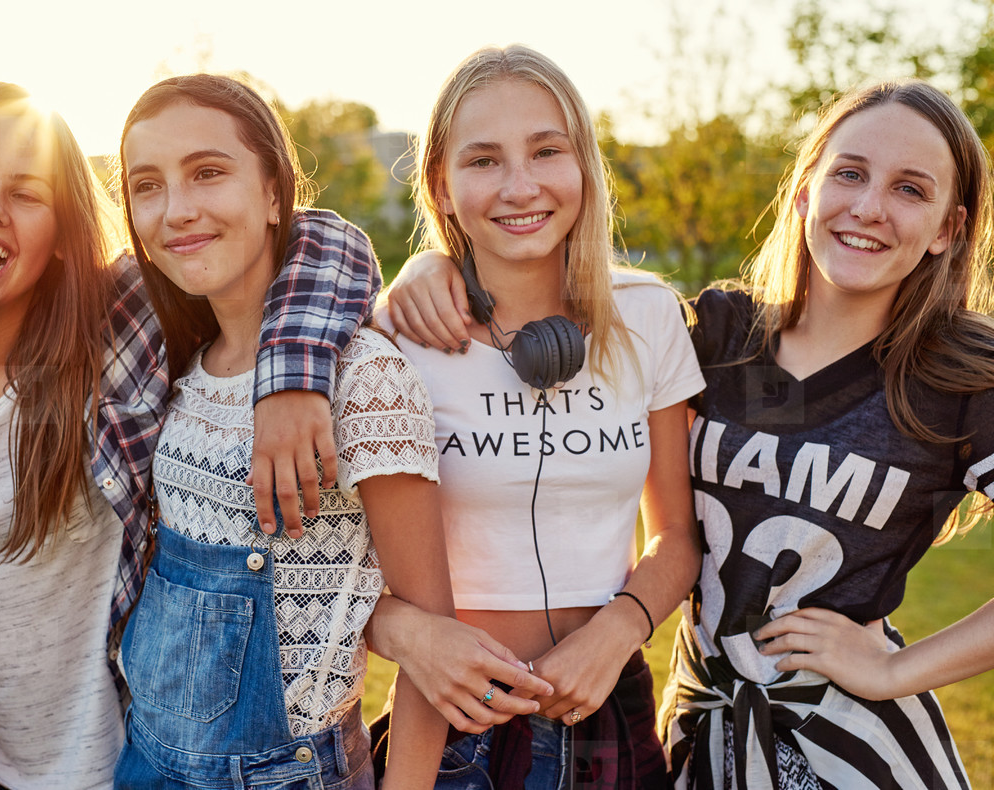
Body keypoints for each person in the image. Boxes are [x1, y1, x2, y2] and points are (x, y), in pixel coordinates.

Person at [389, 78, 994, 789]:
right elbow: (561, 300)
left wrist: (896, 670)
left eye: (910, 190)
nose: (868, 208)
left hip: (853, 752)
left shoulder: (963, 376)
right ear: (805, 191)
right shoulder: (721, 334)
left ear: (948, 228)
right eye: (850, 174)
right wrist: (433, 263)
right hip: (704, 738)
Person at [0, 81, 380, 789]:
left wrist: (291, 377)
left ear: (61, 236)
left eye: (26, 193)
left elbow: (319, 241)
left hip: (150, 755)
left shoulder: (117, 327)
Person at [110, 73, 454, 788]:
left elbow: (432, 646)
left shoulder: (362, 378)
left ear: (273, 194)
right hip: (145, 760)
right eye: (147, 185)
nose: (177, 209)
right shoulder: (178, 363)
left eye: (208, 172)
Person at [380, 45, 703, 788]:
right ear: (442, 186)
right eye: (483, 160)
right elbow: (334, 572)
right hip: (455, 722)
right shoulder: (397, 339)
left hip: (607, 705)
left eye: (546, 151)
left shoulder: (649, 316)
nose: (520, 186)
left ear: (584, 165)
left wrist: (616, 633)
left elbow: (677, 538)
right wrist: (409, 635)